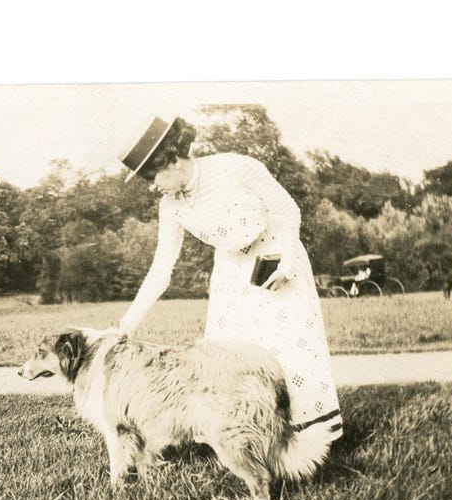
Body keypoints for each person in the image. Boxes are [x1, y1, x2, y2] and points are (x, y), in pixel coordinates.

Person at [116, 116, 342, 443]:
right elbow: (161, 268)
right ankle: (247, 437)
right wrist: (127, 325)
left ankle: (311, 439)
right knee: (229, 358)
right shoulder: (170, 206)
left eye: (152, 176)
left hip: (276, 257)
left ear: (173, 161)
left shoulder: (236, 167)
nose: (153, 187)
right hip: (232, 271)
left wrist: (288, 262)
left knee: (288, 349)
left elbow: (288, 210)